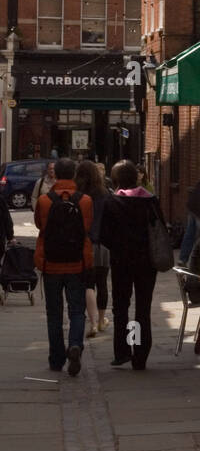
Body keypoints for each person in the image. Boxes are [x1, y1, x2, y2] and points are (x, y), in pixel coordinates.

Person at [100, 160, 165, 370]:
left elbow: (103, 235)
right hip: (147, 263)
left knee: (121, 308)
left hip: (121, 263)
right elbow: (161, 228)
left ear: (116, 180)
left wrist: (118, 246)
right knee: (142, 309)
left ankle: (123, 352)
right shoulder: (151, 200)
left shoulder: (112, 202)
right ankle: (140, 355)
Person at [34, 157, 93, 376]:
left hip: (51, 264)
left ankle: (56, 359)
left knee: (54, 313)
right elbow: (86, 227)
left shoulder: (44, 200)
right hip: (77, 263)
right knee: (77, 310)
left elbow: (40, 225)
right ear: (74, 175)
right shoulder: (85, 200)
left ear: (55, 175)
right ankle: (75, 344)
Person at [75, 160, 110, 339]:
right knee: (102, 282)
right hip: (103, 245)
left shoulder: (78, 195)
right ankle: (102, 319)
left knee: (88, 285)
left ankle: (92, 322)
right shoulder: (105, 194)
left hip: (83, 244)